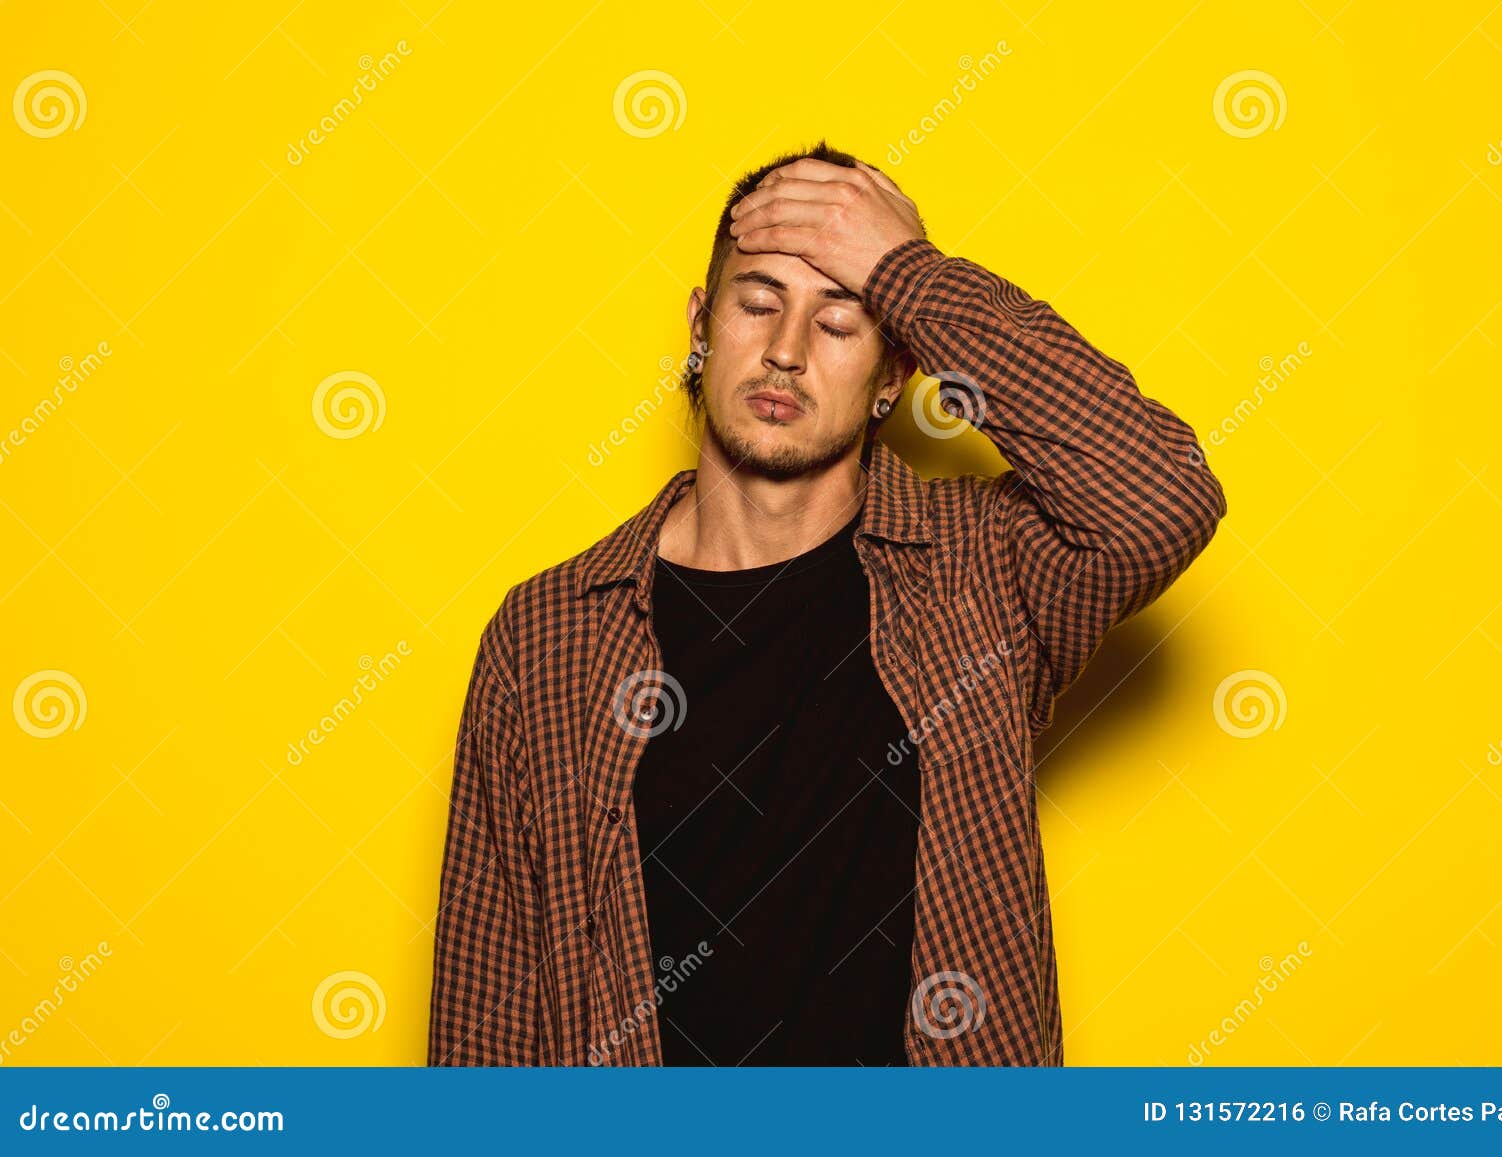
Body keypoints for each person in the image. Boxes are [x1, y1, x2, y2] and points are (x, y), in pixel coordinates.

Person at [427, 138, 1226, 1066]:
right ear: (701, 324)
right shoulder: (550, 633)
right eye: (758, 304)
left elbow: (1161, 493)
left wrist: (908, 275)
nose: (786, 351)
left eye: (840, 322)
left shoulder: (981, 572)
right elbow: (487, 1008)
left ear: (894, 375)